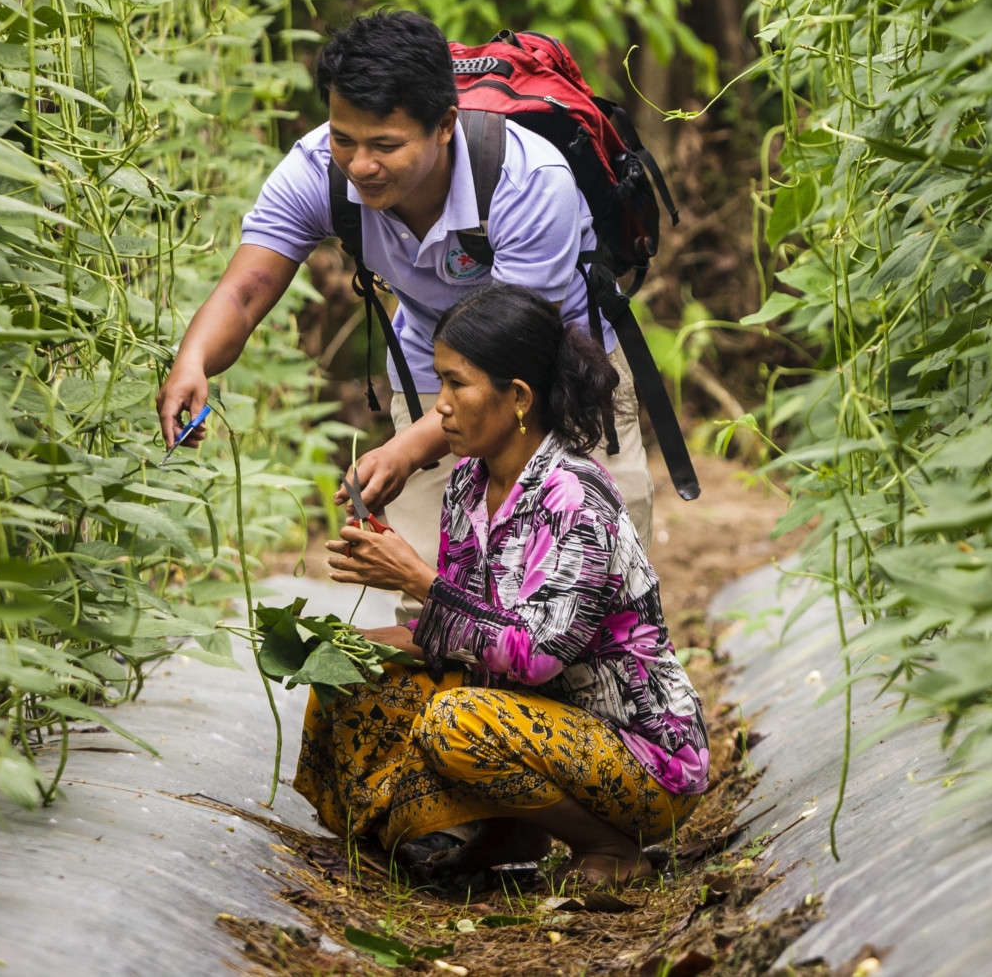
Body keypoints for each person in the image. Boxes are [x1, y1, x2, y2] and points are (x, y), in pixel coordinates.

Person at [154, 10, 654, 622]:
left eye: (385, 145)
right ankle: (456, 716)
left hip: (556, 371)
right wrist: (193, 361)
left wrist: (402, 451)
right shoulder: (317, 170)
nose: (360, 165)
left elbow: (518, 350)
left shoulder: (528, 180)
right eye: (345, 139)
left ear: (444, 126)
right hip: (431, 368)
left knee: (586, 600)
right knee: (429, 595)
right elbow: (245, 290)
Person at [295, 284, 708, 883]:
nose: (439, 406)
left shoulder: (575, 498)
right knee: (347, 671)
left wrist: (417, 576)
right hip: (537, 726)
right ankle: (512, 829)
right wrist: (347, 641)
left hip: (642, 759)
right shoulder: (468, 485)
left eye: (457, 385)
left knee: (454, 722)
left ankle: (612, 849)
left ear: (517, 397)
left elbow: (535, 655)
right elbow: (462, 630)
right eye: (439, 383)